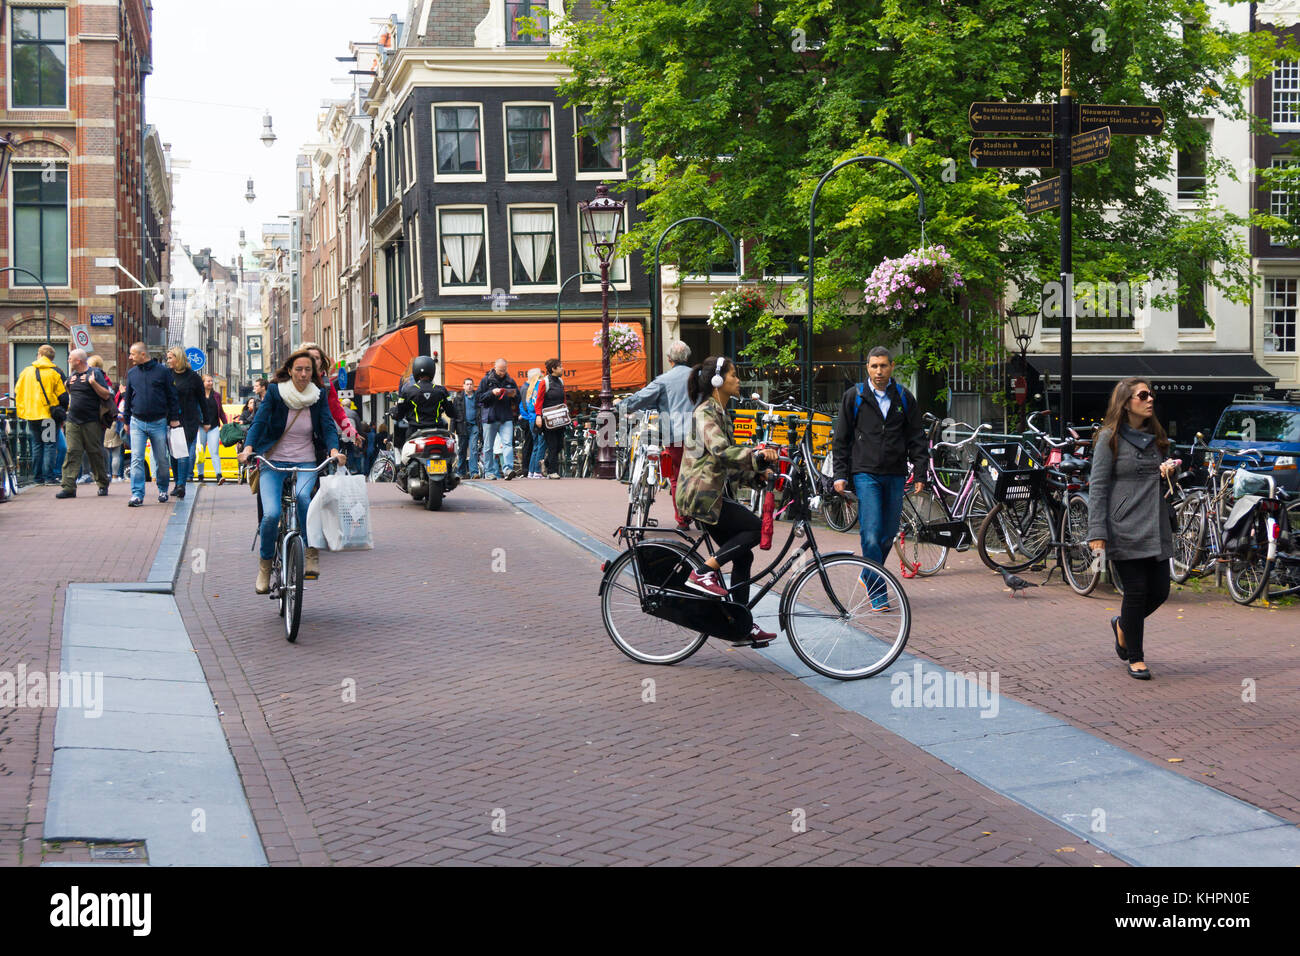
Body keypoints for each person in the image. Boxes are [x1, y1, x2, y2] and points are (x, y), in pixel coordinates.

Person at [675, 356, 781, 643]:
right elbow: (721, 451)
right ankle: (702, 573)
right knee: (755, 529)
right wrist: (757, 454)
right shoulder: (705, 413)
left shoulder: (721, 412)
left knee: (743, 554)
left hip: (712, 495)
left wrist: (757, 477)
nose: (738, 380)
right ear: (718, 381)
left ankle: (739, 624)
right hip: (701, 497)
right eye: (734, 375)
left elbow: (728, 466)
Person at [1087, 378, 1178, 680]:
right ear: (1126, 402)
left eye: (1151, 394)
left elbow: (1166, 487)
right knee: (1136, 591)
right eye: (1143, 395)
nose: (1150, 399)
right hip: (1123, 526)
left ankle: (1123, 626)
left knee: (1161, 591)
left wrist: (1169, 474)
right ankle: (1136, 658)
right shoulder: (1108, 438)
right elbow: (1098, 488)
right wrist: (1097, 533)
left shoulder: (1156, 438)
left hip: (1156, 526)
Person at [238, 349, 346, 590]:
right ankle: (265, 567)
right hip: (273, 462)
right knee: (271, 514)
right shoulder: (276, 393)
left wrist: (333, 451)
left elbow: (328, 426)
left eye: (308, 369)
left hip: (306, 460)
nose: (304, 374)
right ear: (289, 370)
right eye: (299, 369)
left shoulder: (318, 394)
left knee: (304, 500)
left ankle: (310, 553)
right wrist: (248, 448)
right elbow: (260, 422)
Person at [831, 346, 928, 609]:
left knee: (887, 536)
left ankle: (867, 573)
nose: (879, 371)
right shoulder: (855, 396)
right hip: (865, 473)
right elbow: (841, 439)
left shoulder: (904, 398)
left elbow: (917, 437)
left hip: (895, 474)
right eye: (874, 366)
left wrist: (920, 471)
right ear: (867, 368)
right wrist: (840, 474)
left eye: (883, 366)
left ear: (892, 367)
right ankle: (878, 592)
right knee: (871, 534)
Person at [621, 340, 694, 528]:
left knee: (677, 475)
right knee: (699, 474)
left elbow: (642, 398)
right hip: (699, 433)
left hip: (674, 434)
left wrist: (621, 406)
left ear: (670, 360)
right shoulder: (699, 377)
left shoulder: (663, 380)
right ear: (687, 357)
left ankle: (683, 519)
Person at [123, 342, 180, 507]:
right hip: (137, 421)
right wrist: (127, 420)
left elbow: (172, 396)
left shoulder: (163, 372)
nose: (130, 357)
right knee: (136, 459)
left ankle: (162, 489)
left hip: (159, 421)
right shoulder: (132, 373)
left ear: (143, 354)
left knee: (161, 459)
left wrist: (174, 417)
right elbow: (128, 397)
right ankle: (137, 494)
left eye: (132, 354)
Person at [54, 349, 113, 498]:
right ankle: (68, 487)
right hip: (73, 420)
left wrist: (93, 383)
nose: (68, 361)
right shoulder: (73, 375)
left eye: (70, 358)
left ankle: (102, 483)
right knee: (72, 451)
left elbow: (106, 394)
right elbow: (71, 393)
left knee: (94, 452)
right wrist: (68, 385)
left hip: (91, 420)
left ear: (78, 361)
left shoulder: (95, 374)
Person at [14, 344, 66, 485]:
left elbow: (17, 391)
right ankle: (49, 477)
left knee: (37, 445)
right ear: (51, 358)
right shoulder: (55, 372)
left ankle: (37, 478)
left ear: (39, 355)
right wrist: (63, 412)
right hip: (47, 416)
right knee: (49, 445)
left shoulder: (26, 371)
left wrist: (22, 410)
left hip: (31, 415)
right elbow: (63, 396)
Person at [166, 346, 206, 500]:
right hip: (171, 418)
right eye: (168, 358)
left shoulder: (193, 377)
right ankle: (177, 483)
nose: (168, 361)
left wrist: (206, 420)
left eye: (171, 358)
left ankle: (182, 485)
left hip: (189, 420)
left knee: (183, 452)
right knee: (173, 454)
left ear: (179, 358)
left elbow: (202, 399)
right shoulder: (167, 375)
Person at [476, 359, 520, 480]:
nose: (502, 373)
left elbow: (518, 398)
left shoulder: (510, 381)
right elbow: (478, 398)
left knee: (507, 444)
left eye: (504, 370)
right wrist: (492, 393)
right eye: (500, 370)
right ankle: (489, 472)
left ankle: (508, 469)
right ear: (495, 367)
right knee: (488, 446)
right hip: (490, 417)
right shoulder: (486, 380)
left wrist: (514, 395)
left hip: (506, 416)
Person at [393, 355, 456, 436]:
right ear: (432, 371)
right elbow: (451, 413)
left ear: (415, 371)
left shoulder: (407, 391)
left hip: (415, 432)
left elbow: (399, 414)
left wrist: (393, 412)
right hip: (437, 431)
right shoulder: (441, 390)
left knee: (406, 447)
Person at [533, 358, 571, 479]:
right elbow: (539, 400)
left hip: (560, 418)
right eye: (560, 366)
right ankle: (552, 471)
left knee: (560, 444)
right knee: (553, 444)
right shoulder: (545, 382)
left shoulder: (560, 381)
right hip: (548, 419)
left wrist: (566, 411)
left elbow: (563, 399)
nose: (562, 368)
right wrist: (538, 416)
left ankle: (546, 462)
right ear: (553, 369)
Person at [197, 375, 228, 484]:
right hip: (200, 427)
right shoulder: (198, 395)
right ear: (202, 383)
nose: (210, 383)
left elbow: (221, 411)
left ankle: (219, 475)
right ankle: (200, 475)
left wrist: (226, 424)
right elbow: (195, 411)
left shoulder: (216, 395)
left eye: (211, 381)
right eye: (208, 381)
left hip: (214, 427)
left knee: (214, 452)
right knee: (201, 452)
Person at [519, 368, 543, 479]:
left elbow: (526, 404)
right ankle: (535, 471)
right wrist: (529, 416)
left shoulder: (528, 388)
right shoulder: (533, 387)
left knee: (533, 445)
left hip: (530, 418)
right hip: (532, 418)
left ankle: (530, 471)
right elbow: (528, 405)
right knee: (536, 445)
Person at [453, 377, 477, 477]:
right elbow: (453, 415)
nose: (469, 386)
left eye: (471, 384)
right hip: (462, 426)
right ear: (463, 386)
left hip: (474, 426)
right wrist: (451, 430)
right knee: (462, 450)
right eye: (467, 384)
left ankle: (474, 472)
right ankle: (461, 472)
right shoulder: (458, 398)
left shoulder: (477, 397)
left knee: (473, 449)